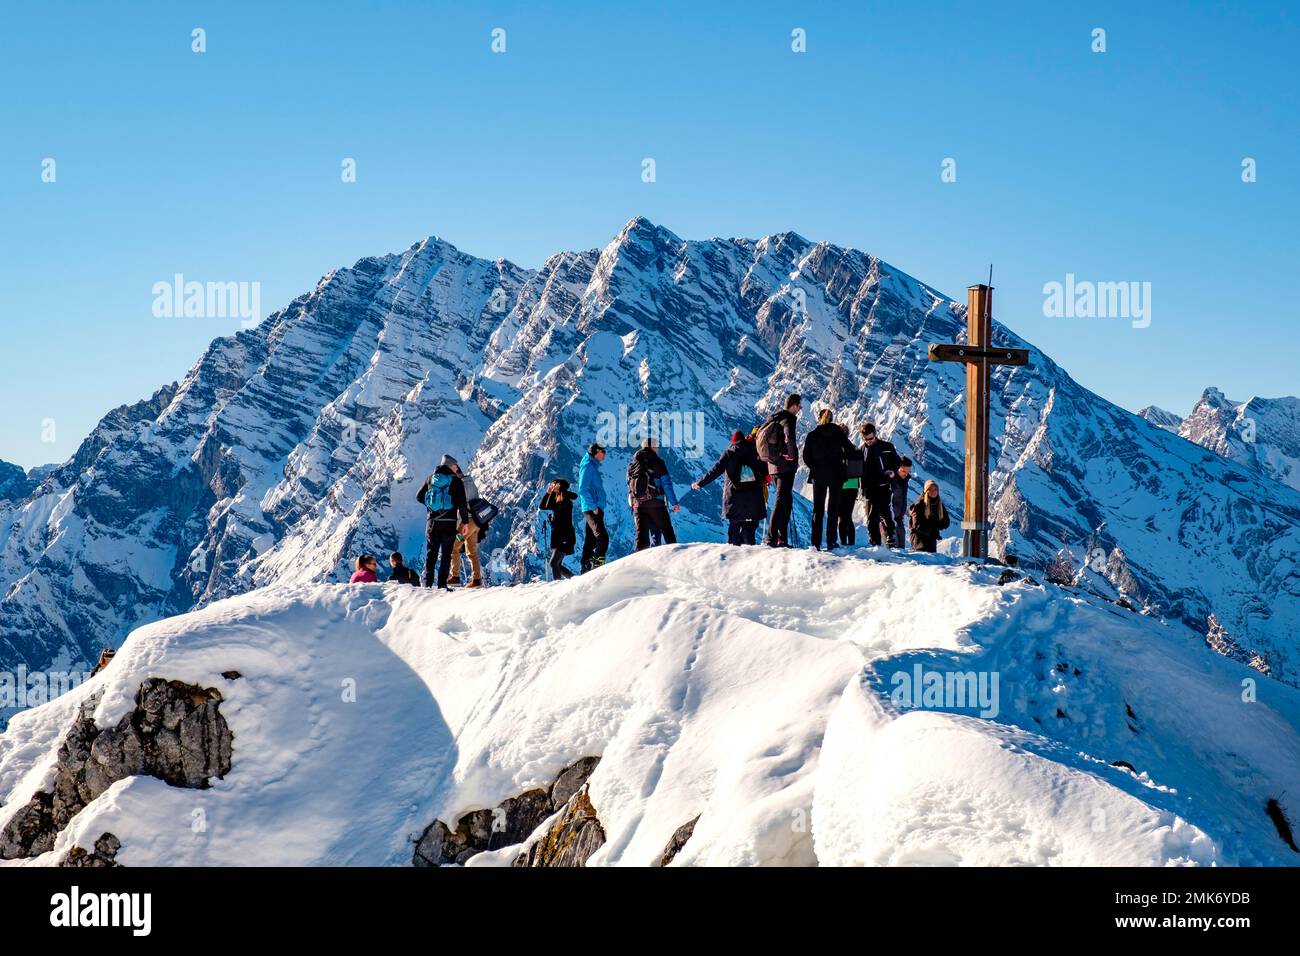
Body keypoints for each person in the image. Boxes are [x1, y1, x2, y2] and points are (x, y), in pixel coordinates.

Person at [693, 429, 765, 544]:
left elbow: (715, 471)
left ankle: (732, 553)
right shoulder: (755, 451)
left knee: (734, 527)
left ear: (733, 441)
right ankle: (751, 553)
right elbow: (764, 469)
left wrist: (700, 483)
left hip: (735, 496)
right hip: (753, 496)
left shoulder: (729, 452)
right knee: (749, 528)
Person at [802, 408, 857, 550]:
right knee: (833, 509)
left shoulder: (813, 435)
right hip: (837, 476)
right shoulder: (839, 433)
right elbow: (851, 451)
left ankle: (816, 543)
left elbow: (806, 456)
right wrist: (840, 460)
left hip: (818, 475)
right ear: (832, 419)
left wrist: (815, 467)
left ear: (819, 418)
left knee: (818, 509)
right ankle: (831, 541)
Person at [416, 455, 472, 589]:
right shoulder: (456, 481)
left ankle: (427, 584)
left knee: (431, 554)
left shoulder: (430, 479)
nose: (457, 467)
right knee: (446, 555)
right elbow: (462, 504)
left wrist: (431, 508)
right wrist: (464, 522)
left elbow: (419, 496)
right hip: (449, 523)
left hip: (433, 523)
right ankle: (442, 585)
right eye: (455, 465)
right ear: (449, 465)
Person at [757, 393, 802, 547]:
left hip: (773, 465)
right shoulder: (788, 418)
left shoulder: (774, 417)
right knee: (781, 500)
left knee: (785, 500)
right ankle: (771, 538)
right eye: (799, 407)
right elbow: (789, 436)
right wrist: (791, 454)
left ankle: (782, 539)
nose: (800, 410)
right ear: (794, 405)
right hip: (785, 466)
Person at [628, 438, 678, 551]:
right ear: (652, 447)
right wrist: (674, 503)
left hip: (639, 505)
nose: (658, 449)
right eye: (656, 446)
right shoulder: (658, 462)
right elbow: (666, 484)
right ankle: (677, 562)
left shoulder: (633, 464)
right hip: (656, 504)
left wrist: (633, 503)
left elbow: (629, 486)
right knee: (668, 532)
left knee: (641, 538)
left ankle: (637, 565)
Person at [860, 422, 900, 547]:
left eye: (870, 438)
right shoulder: (862, 450)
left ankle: (890, 534)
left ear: (875, 435)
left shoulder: (886, 447)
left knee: (883, 511)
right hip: (869, 488)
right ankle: (875, 543)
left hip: (884, 485)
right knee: (872, 516)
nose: (868, 441)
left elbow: (897, 461)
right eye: (865, 439)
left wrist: (892, 471)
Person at [448, 461, 484, 589]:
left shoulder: (460, 485)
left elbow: (461, 504)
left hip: (466, 522)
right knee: (472, 551)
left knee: (454, 547)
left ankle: (455, 577)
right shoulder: (470, 481)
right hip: (476, 521)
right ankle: (477, 580)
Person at [578, 443, 609, 573]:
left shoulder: (592, 466)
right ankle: (596, 565)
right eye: (603, 451)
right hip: (592, 508)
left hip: (594, 507)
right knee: (603, 538)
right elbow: (583, 489)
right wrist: (593, 506)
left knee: (590, 539)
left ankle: (586, 566)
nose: (605, 454)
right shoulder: (588, 466)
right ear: (597, 452)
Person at [539, 478, 578, 580]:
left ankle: (558, 585)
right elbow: (542, 506)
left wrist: (551, 493)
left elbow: (550, 506)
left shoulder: (564, 500)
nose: (551, 486)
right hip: (559, 536)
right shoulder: (560, 499)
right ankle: (575, 580)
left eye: (554, 485)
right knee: (557, 564)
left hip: (564, 537)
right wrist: (549, 493)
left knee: (553, 563)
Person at [908, 479, 951, 553]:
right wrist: (933, 528)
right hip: (918, 539)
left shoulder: (939, 504)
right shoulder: (920, 504)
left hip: (931, 538)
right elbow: (917, 525)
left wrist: (936, 527)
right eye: (930, 489)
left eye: (935, 489)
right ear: (926, 491)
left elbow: (946, 522)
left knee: (932, 561)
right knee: (922, 559)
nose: (933, 492)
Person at [836, 423, 860, 546]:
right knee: (848, 516)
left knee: (841, 516)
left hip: (840, 485)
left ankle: (843, 543)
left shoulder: (836, 449)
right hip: (853, 485)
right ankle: (851, 544)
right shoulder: (855, 448)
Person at [890, 456, 913, 549]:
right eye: (903, 471)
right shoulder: (891, 481)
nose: (906, 474)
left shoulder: (904, 481)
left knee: (901, 548)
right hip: (890, 519)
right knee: (893, 549)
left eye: (908, 472)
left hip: (899, 518)